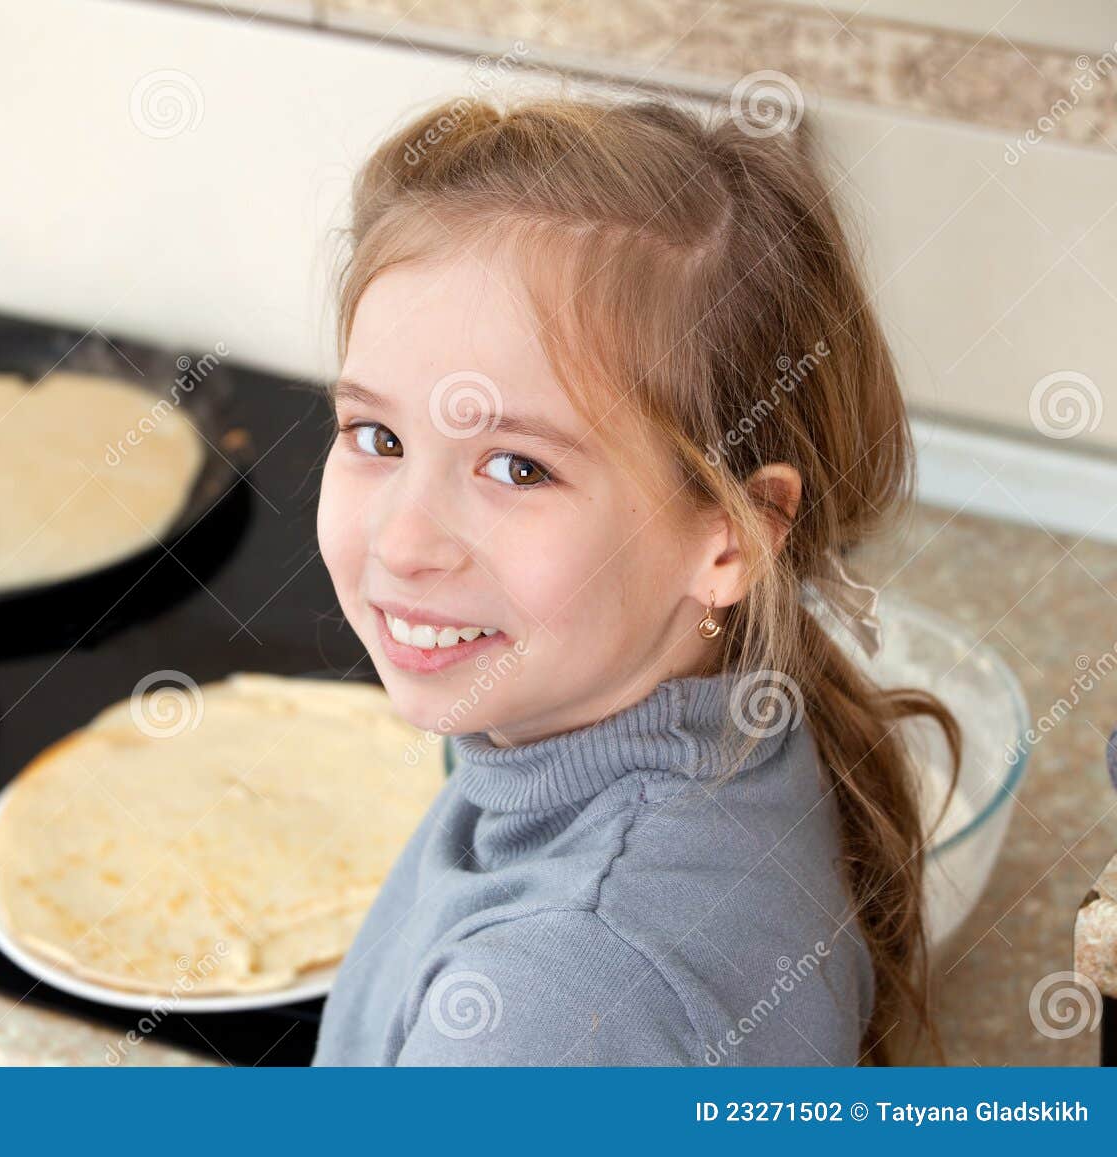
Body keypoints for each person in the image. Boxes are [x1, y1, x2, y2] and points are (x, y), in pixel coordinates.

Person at [310, 90, 961, 1066]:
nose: (404, 540)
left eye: (517, 466)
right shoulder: (718, 723)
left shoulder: (553, 1001)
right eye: (377, 435)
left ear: (732, 538)